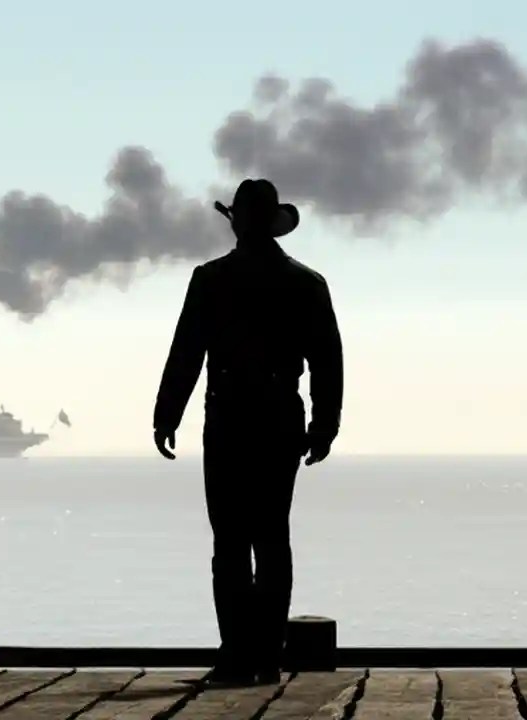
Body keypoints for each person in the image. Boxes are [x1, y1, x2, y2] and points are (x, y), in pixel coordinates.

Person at [152, 178, 343, 686]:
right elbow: (327, 362)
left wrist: (166, 414)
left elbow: (186, 353)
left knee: (230, 543)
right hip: (281, 420)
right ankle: (267, 657)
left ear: (236, 221)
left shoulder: (210, 279)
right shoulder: (307, 283)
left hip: (229, 420)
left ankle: (237, 654)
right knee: (272, 539)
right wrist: (324, 425)